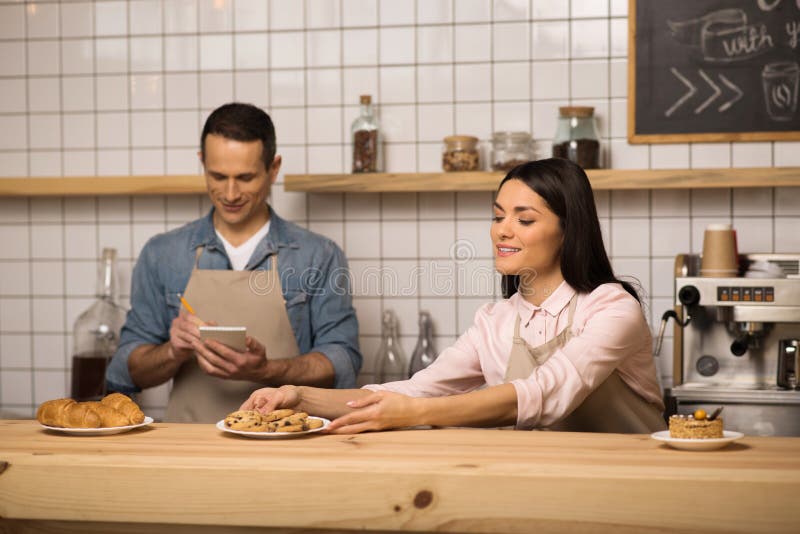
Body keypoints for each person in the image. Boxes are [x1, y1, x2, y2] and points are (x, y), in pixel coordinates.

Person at [241, 158, 666, 434]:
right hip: (545, 484)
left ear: (569, 228)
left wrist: (416, 414)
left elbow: (546, 394)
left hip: (634, 484)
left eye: (525, 218)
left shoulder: (612, 309)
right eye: (499, 216)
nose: (502, 229)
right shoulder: (495, 321)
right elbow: (415, 390)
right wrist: (299, 395)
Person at [106, 103, 362, 423]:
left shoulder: (319, 256)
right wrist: (173, 351)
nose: (230, 193)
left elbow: (342, 361)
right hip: (191, 448)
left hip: (288, 443)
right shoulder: (162, 254)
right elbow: (127, 369)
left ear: (274, 169)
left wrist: (267, 370)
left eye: (245, 177)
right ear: (202, 164)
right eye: (217, 176)